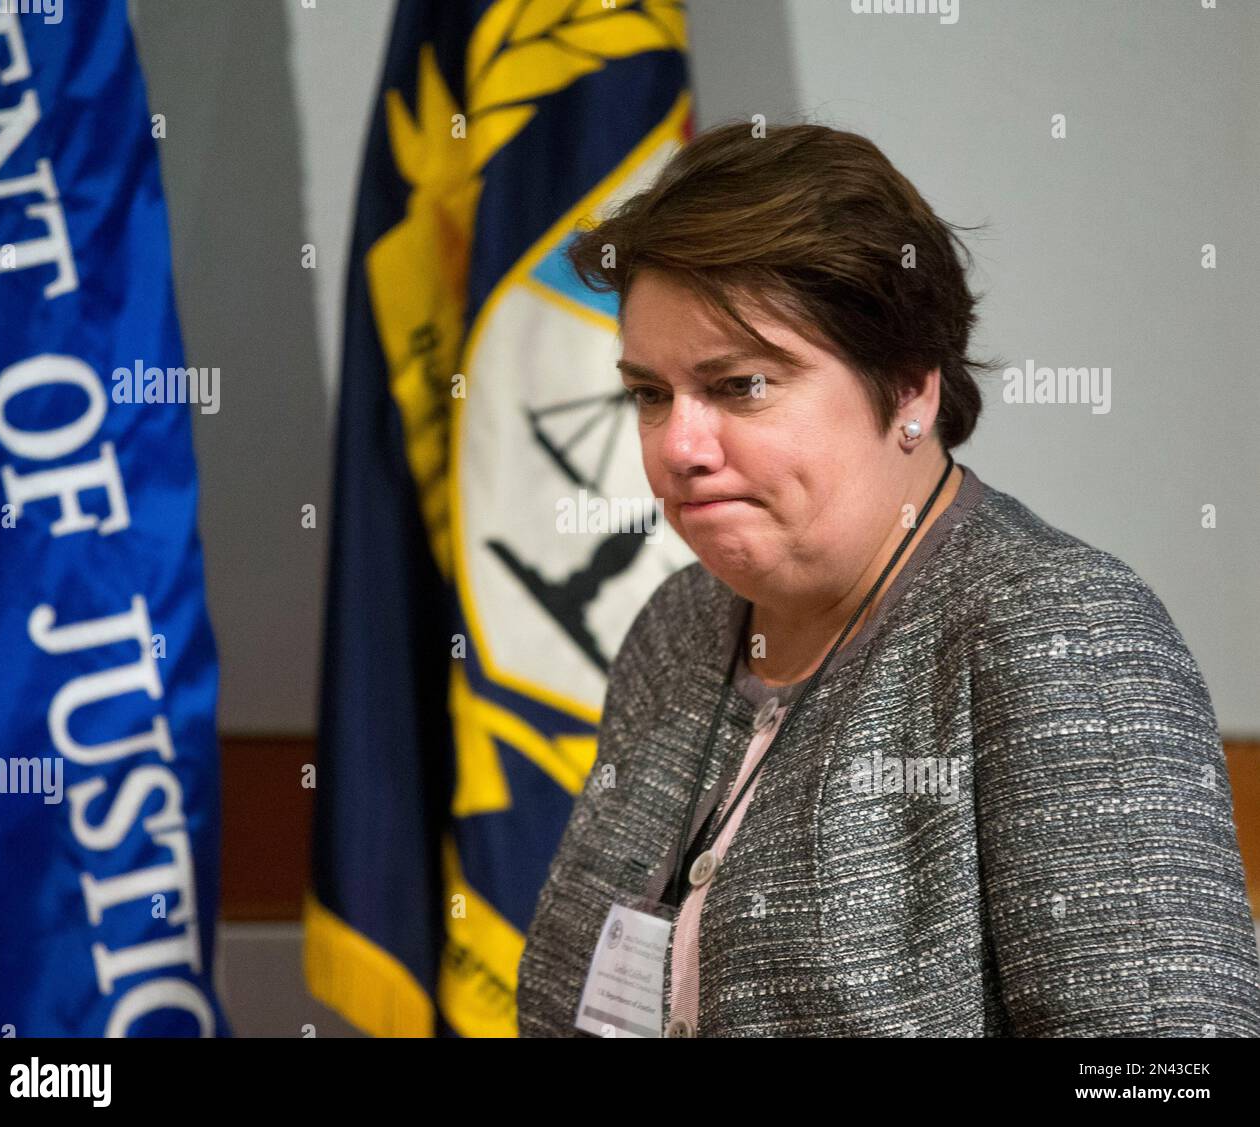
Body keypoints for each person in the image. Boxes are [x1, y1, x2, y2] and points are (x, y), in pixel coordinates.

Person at [515, 121, 1260, 1037]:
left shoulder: (1063, 631)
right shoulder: (676, 625)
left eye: (741, 384)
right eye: (650, 393)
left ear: (909, 386)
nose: (679, 446)